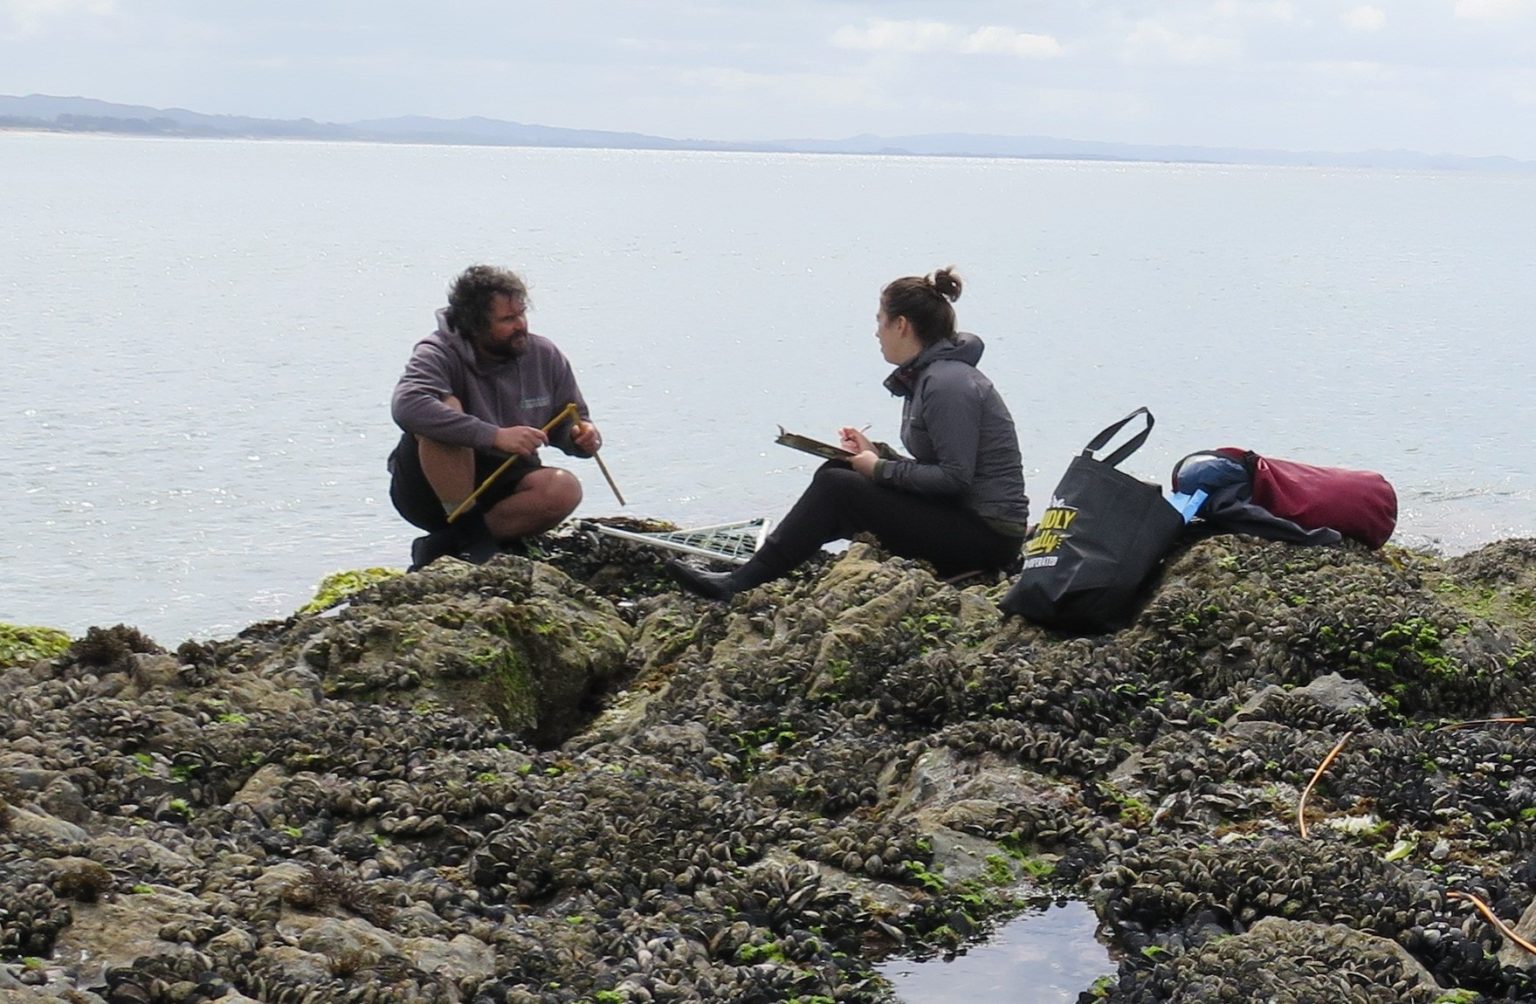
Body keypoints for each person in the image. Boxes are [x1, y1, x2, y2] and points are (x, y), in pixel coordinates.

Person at [668, 266, 1029, 600]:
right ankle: (756, 572)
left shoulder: (947, 384)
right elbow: (943, 472)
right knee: (838, 473)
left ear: (901, 324)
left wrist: (878, 469)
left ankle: (740, 583)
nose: (876, 332)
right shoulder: (932, 376)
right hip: (967, 520)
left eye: (880, 321)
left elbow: (955, 479)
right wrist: (876, 455)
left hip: (988, 536)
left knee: (837, 488)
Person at [389, 265, 601, 570]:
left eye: (521, 314)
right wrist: (493, 435)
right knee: (444, 405)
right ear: (475, 324)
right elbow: (407, 405)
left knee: (564, 489)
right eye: (507, 319)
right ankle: (469, 533)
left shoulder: (544, 355)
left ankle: (447, 544)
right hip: (431, 489)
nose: (521, 326)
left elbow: (572, 416)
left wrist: (581, 436)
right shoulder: (437, 352)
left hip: (505, 480)